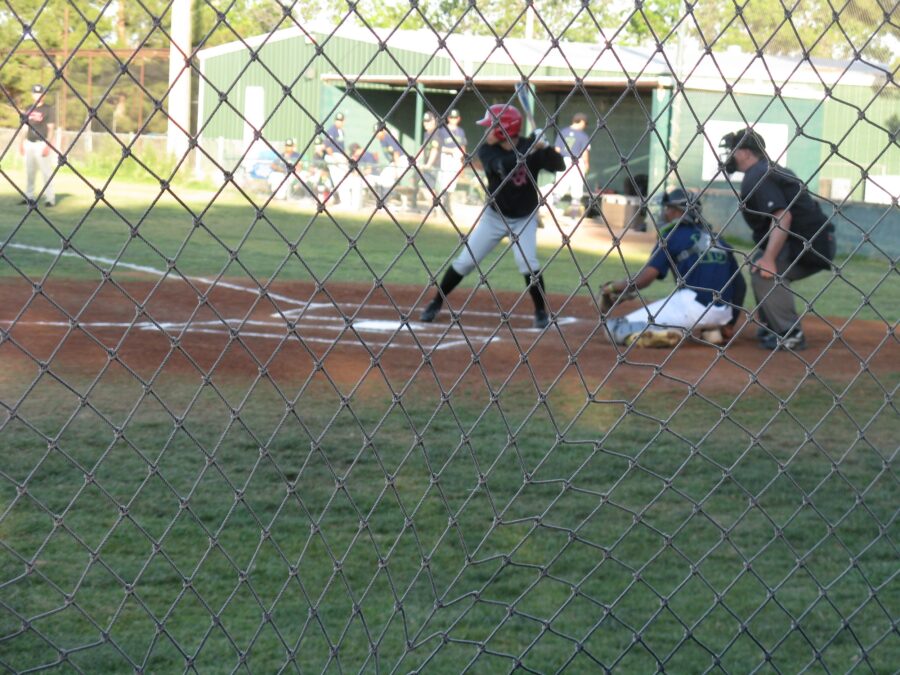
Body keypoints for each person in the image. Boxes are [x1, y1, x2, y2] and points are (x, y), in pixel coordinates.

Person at [419, 104, 565, 329]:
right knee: (465, 261)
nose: (486, 131)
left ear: (504, 130)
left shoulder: (531, 146)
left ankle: (540, 311)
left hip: (524, 217)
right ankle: (436, 302)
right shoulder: (488, 152)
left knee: (527, 262)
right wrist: (531, 149)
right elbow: (504, 166)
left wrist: (545, 147)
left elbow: (560, 165)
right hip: (494, 216)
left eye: (491, 127)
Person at [718, 128, 836, 351]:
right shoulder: (768, 170)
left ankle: (789, 333)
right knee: (759, 262)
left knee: (765, 272)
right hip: (810, 240)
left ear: (745, 153)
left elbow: (783, 216)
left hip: (809, 244)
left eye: (733, 150)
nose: (730, 156)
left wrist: (770, 259)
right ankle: (773, 326)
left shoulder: (758, 174)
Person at [600, 188, 746, 347]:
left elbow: (645, 279)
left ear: (678, 211)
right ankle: (712, 331)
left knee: (614, 328)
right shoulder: (719, 240)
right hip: (723, 312)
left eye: (668, 208)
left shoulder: (672, 236)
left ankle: (663, 333)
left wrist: (614, 287)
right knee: (694, 303)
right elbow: (740, 286)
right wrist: (730, 324)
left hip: (692, 306)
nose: (665, 212)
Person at [20, 84, 56, 207]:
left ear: (44, 95)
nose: (38, 95)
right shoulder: (28, 108)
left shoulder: (48, 109)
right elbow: (25, 127)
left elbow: (51, 129)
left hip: (42, 143)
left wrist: (48, 145)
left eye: (40, 93)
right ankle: (29, 196)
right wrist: (21, 143)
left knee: (46, 172)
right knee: (30, 171)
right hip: (29, 143)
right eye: (35, 93)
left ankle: (49, 199)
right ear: (32, 95)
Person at [551, 112, 591, 216]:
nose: (585, 125)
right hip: (577, 162)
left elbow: (557, 149)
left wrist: (556, 162)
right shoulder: (583, 135)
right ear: (581, 121)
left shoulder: (564, 131)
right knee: (576, 188)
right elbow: (585, 152)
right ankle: (573, 215)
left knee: (560, 187)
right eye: (585, 123)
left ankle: (550, 210)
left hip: (563, 161)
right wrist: (587, 165)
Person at [437, 108, 468, 214]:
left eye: (455, 117)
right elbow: (437, 147)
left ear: (458, 119)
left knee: (452, 184)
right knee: (444, 183)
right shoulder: (442, 130)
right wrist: (450, 150)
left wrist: (463, 162)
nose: (453, 119)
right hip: (445, 158)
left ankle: (447, 206)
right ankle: (443, 206)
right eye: (451, 117)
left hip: (456, 159)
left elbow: (463, 147)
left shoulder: (461, 131)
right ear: (448, 118)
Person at [324, 112, 351, 205]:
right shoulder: (332, 130)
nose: (339, 122)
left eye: (341, 120)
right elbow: (327, 145)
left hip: (340, 157)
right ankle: (343, 201)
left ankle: (346, 201)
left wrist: (346, 158)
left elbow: (342, 147)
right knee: (338, 179)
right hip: (333, 156)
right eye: (338, 120)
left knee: (344, 179)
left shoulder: (341, 132)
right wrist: (333, 157)